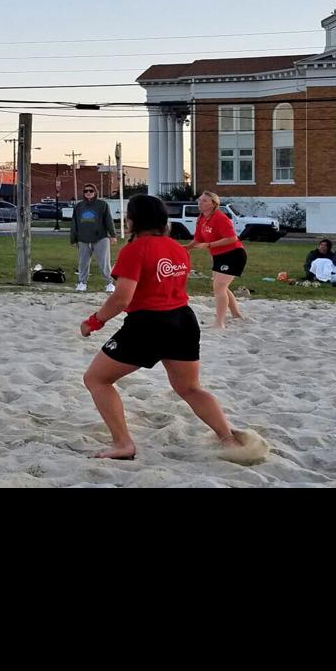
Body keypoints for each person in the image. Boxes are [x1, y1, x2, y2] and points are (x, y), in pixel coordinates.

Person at [77, 195, 255, 462]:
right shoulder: (177, 248)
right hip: (183, 320)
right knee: (191, 388)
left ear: (133, 219)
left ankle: (123, 443)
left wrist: (95, 320)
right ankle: (230, 440)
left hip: (148, 324)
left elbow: (122, 297)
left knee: (96, 379)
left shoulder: (135, 249)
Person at [189, 191, 247, 329]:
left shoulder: (220, 218)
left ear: (214, 204)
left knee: (219, 286)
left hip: (233, 254)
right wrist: (183, 248)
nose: (200, 203)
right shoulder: (201, 218)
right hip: (219, 256)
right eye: (200, 200)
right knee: (221, 286)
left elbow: (232, 238)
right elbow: (197, 240)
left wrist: (209, 245)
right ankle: (236, 314)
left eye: (204, 201)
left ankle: (219, 322)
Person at [69, 183, 116, 293]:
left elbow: (108, 220)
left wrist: (113, 235)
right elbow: (74, 223)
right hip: (83, 239)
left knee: (104, 262)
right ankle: (82, 282)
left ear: (95, 192)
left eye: (91, 191)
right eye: (86, 191)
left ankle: (109, 283)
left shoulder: (102, 205)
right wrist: (73, 239)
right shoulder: (79, 206)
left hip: (101, 238)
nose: (88, 193)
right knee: (83, 262)